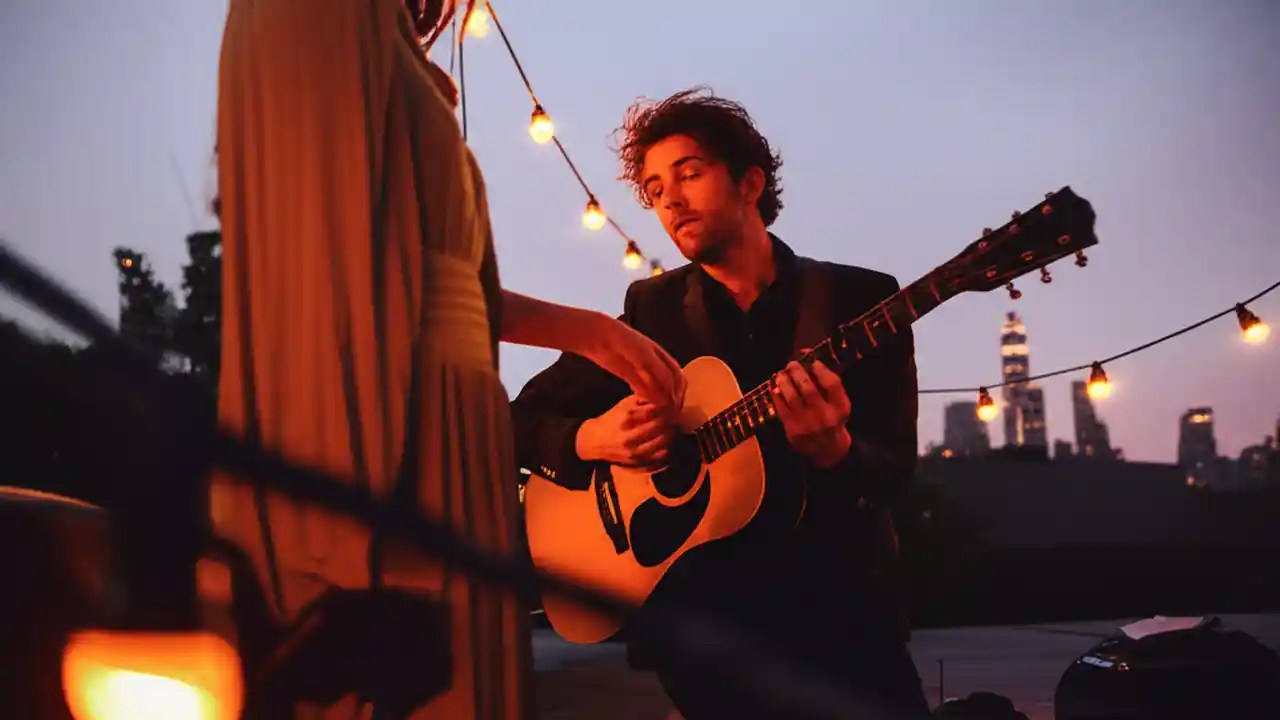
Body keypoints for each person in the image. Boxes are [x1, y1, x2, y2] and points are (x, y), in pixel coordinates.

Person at [207, 0, 685, 718]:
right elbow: (324, 270)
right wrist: (343, 511)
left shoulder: (390, 47)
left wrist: (589, 331)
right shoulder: (317, 16)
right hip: (396, 430)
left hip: (452, 422)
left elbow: (444, 275)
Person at [510, 88, 931, 718]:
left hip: (843, 617)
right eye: (655, 189)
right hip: (704, 631)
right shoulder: (651, 312)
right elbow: (517, 421)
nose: (670, 200)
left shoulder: (860, 302)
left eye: (689, 174)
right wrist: (590, 439)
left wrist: (837, 452)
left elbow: (894, 468)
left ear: (749, 183)